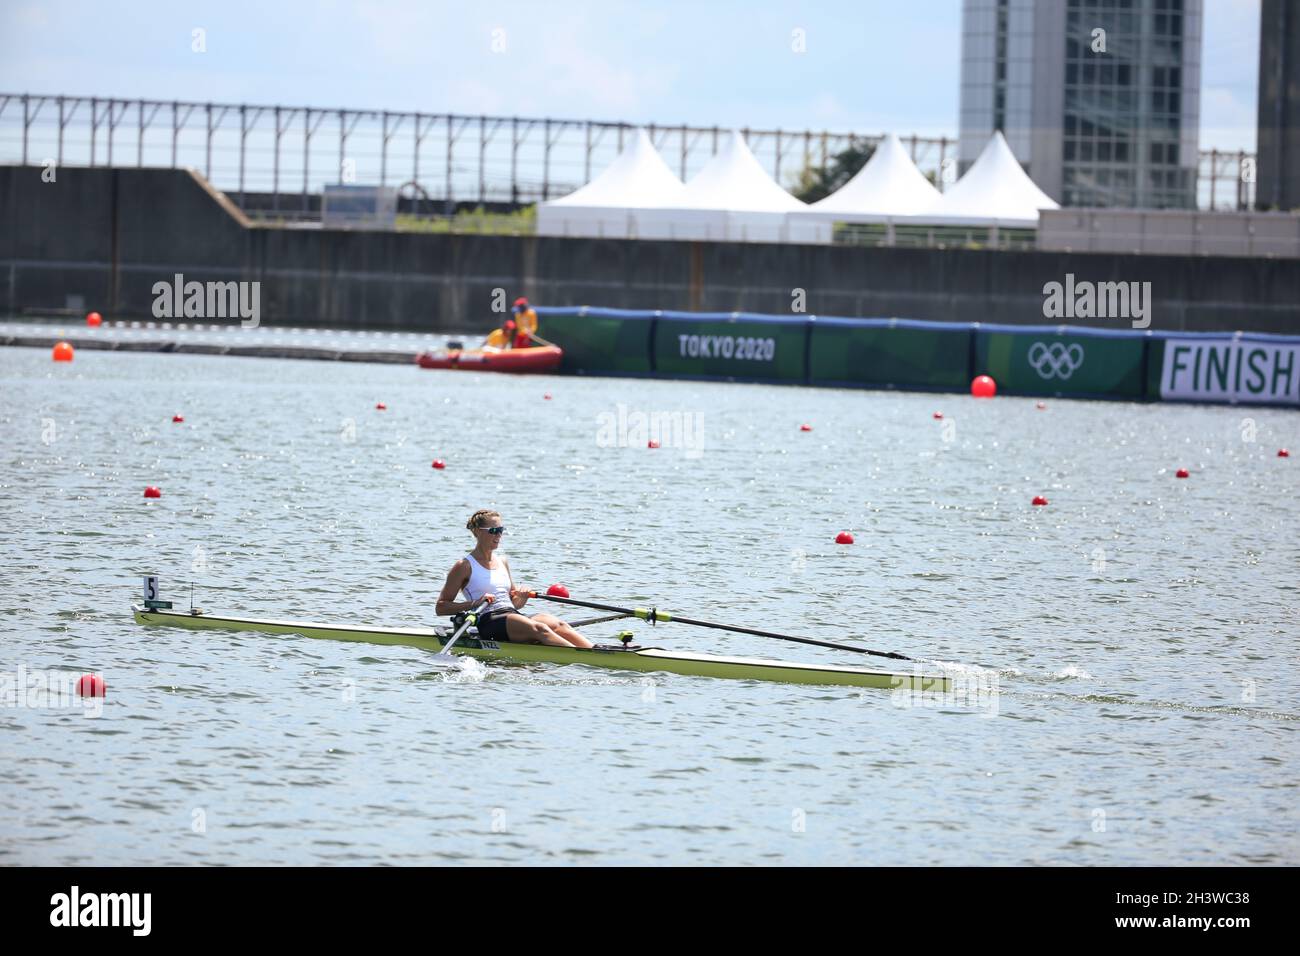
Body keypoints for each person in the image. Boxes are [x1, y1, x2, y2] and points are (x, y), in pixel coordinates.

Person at [435, 509, 593, 648]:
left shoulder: (502, 561)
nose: (498, 535)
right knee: (540, 629)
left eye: (501, 530)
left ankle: (595, 650)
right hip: (488, 621)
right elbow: (441, 607)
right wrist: (474, 603)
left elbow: (514, 604)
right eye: (493, 530)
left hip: (511, 615)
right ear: (477, 532)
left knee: (558, 624)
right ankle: (584, 657)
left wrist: (523, 597)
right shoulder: (464, 566)